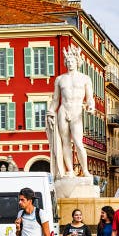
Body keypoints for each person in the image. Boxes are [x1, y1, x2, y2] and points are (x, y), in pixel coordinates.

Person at [46, 44, 95, 178]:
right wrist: (50, 112)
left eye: (72, 61)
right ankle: (69, 171)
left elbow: (90, 98)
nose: (69, 63)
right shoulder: (60, 79)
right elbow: (55, 99)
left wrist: (91, 106)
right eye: (67, 61)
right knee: (65, 142)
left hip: (77, 111)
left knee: (78, 143)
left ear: (77, 62)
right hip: (63, 110)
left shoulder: (85, 78)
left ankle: (85, 170)